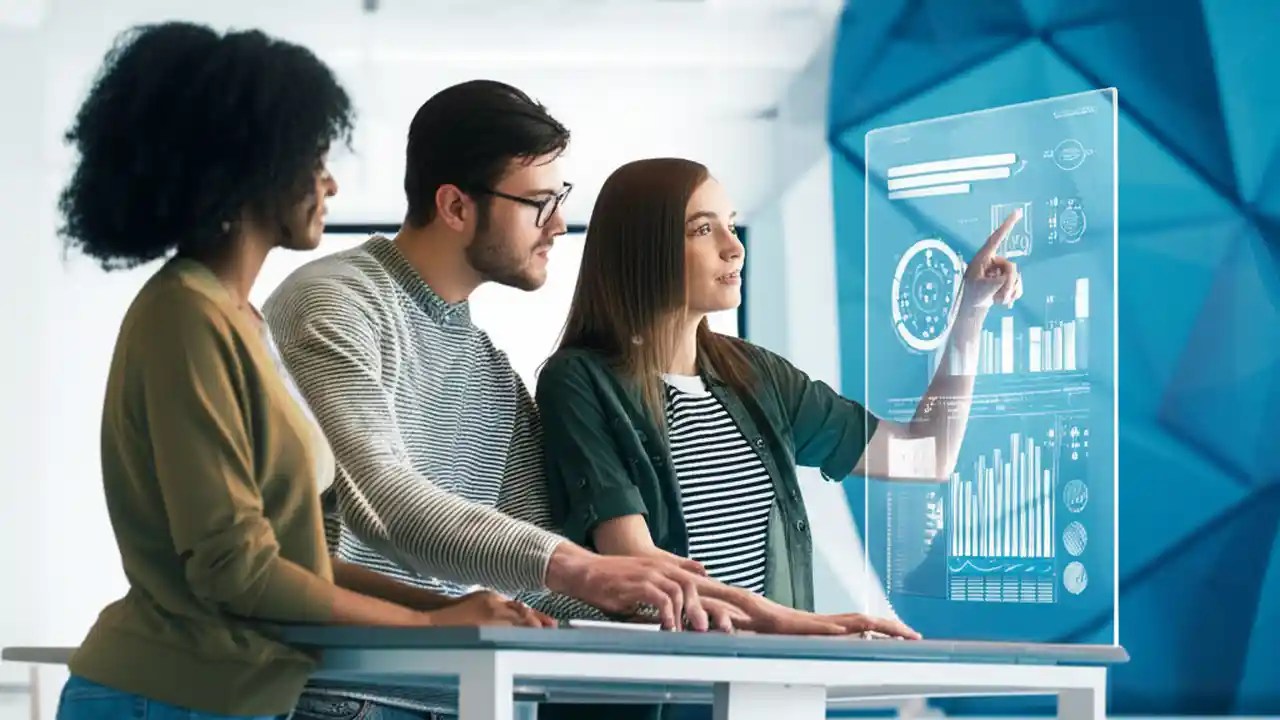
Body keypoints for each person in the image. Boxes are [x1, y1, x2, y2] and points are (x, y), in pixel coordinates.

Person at [54, 24, 552, 720]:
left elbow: (293, 561)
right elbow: (237, 571)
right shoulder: (185, 317)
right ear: (246, 168)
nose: (330, 181)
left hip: (229, 694)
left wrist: (451, 609)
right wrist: (428, 628)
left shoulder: (240, 321)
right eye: (311, 157)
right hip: (164, 693)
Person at [263, 81, 721, 720]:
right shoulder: (334, 303)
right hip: (342, 698)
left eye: (558, 201)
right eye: (538, 203)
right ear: (454, 205)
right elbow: (383, 501)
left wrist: (721, 610)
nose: (559, 224)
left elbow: (542, 562)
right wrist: (578, 569)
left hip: (468, 699)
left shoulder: (488, 368)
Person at [537, 157, 1023, 636]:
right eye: (703, 231)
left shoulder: (757, 375)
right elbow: (635, 563)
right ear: (642, 249)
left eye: (730, 225)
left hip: (766, 688)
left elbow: (926, 455)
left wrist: (970, 315)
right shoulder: (577, 381)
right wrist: (801, 625)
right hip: (656, 700)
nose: (734, 249)